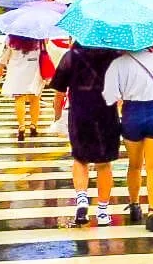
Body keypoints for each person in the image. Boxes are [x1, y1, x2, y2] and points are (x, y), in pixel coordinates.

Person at [102, 45, 153, 231]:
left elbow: (110, 95)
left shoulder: (119, 63)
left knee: (135, 165)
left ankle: (135, 205)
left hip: (132, 114)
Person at [49, 43, 121, 227]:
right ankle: (103, 212)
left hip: (79, 114)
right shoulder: (114, 56)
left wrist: (57, 116)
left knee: (80, 159)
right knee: (104, 164)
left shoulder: (70, 56)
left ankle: (82, 200)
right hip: (107, 114)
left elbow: (59, 92)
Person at [1, 35, 46, 142]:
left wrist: (0, 67)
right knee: (35, 99)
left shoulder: (11, 38)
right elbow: (43, 53)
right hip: (34, 70)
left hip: (17, 71)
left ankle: (21, 126)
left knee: (19, 98)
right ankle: (33, 125)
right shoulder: (39, 36)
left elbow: (4, 56)